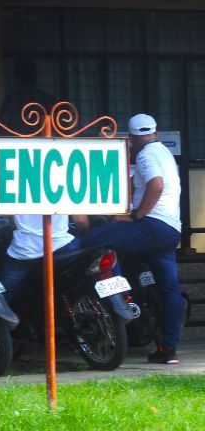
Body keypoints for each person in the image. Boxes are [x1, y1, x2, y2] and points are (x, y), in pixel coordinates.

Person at [79, 113, 185, 364]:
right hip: (171, 229)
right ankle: (168, 349)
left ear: (132, 138)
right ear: (156, 133)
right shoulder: (164, 153)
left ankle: (117, 301)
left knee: (95, 241)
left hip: (150, 225)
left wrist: (136, 214)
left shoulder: (146, 154)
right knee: (170, 288)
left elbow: (156, 186)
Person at [0, 213, 82, 307]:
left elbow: (13, 223)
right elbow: (80, 221)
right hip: (61, 247)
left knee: (2, 296)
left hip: (24, 251)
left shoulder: (14, 197)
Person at [0, 59, 57, 134]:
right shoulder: (48, 99)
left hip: (17, 144)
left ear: (17, 77)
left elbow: (2, 129)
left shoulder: (11, 100)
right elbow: (58, 129)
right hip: (44, 144)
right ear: (35, 76)